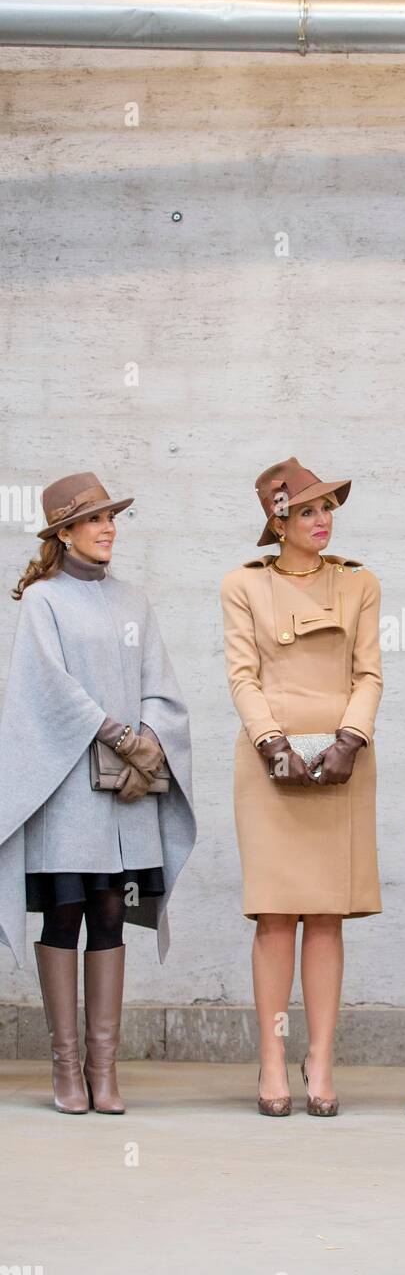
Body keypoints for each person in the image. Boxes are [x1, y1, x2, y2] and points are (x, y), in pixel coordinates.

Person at [0, 471, 196, 1113]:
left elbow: (159, 684)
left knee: (112, 912)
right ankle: (65, 1069)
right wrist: (118, 735)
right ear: (63, 531)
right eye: (93, 520)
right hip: (66, 793)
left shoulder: (134, 601)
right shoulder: (44, 602)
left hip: (126, 793)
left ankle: (103, 1069)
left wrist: (150, 742)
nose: (108, 528)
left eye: (112, 517)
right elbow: (44, 689)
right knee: (64, 913)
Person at [220, 456, 383, 1118]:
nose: (323, 520)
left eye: (327, 508)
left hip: (344, 756)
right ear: (277, 521)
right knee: (274, 914)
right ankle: (271, 1059)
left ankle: (319, 1058)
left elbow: (370, 672)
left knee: (326, 914)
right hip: (270, 760)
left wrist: (350, 739)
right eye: (308, 510)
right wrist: (270, 743)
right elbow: (242, 674)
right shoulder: (242, 584)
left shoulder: (359, 582)